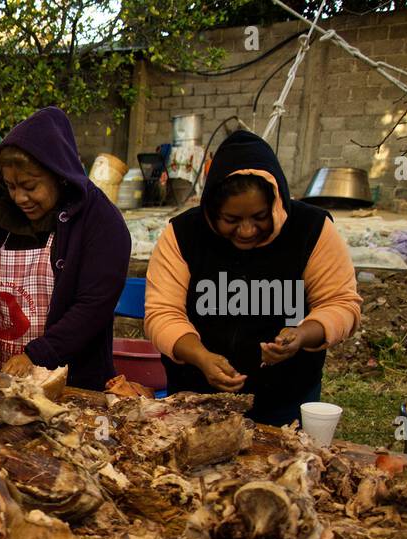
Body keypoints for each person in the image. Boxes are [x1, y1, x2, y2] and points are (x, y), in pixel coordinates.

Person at [145, 130, 361, 425]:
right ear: (212, 210)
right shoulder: (183, 234)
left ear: (276, 202)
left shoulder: (311, 229)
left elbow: (340, 303)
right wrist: (201, 357)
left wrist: (301, 335)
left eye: (260, 217)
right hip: (196, 400)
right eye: (231, 220)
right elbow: (162, 312)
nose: (246, 230)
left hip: (287, 400)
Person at [0, 107, 130, 389]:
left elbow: (93, 307)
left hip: (71, 383)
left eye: (29, 186)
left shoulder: (100, 221)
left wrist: (38, 355)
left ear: (59, 175)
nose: (19, 198)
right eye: (11, 186)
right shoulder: (1, 214)